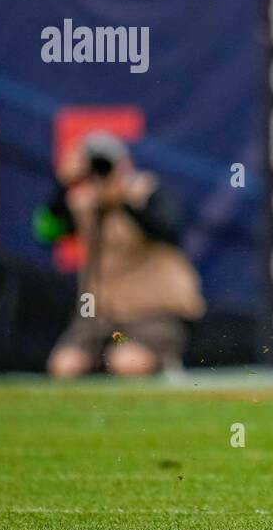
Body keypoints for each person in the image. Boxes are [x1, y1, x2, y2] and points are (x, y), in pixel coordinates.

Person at [38, 133, 205, 378]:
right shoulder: (82, 201)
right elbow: (45, 233)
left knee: (127, 363)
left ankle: (165, 365)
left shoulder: (147, 190)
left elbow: (170, 232)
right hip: (99, 315)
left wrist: (123, 203)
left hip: (153, 312)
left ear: (125, 164)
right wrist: (62, 184)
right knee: (64, 366)